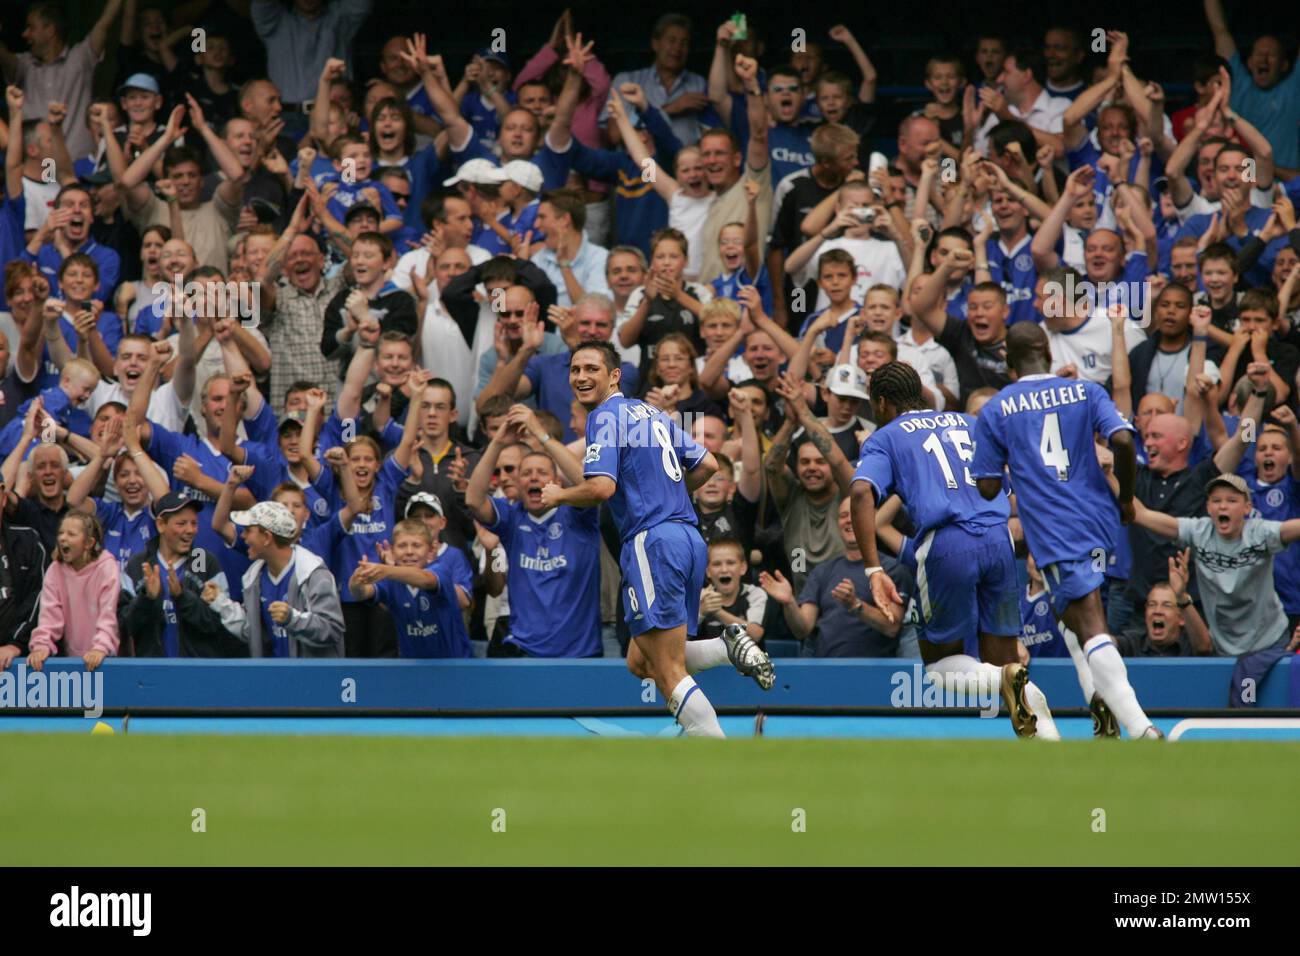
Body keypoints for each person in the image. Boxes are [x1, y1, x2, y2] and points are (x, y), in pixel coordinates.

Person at [540, 340, 773, 737]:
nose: (581, 377)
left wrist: (558, 495)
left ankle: (719, 757)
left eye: (591, 369)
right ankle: (725, 647)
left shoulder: (603, 417)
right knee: (639, 658)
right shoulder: (652, 414)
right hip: (688, 538)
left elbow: (600, 488)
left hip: (652, 543)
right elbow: (710, 463)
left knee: (667, 670)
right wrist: (674, 496)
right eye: (576, 369)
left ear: (614, 376)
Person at [972, 322, 1160, 739]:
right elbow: (1125, 442)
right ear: (1047, 350)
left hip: (1056, 527)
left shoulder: (998, 408)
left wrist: (1012, 466)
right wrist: (1127, 499)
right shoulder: (1088, 391)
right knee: (1071, 619)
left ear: (1007, 359)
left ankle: (1142, 728)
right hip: (1104, 521)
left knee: (1090, 622)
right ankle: (1105, 719)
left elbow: (986, 487)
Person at [850, 361, 1057, 738]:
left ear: (881, 402)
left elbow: (862, 491)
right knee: (1005, 662)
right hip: (999, 539)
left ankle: (1005, 679)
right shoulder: (969, 422)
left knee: (941, 667)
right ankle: (1051, 751)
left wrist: (872, 569)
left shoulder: (885, 437)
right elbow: (1005, 488)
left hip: (947, 542)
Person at [1133, 473, 1300, 705]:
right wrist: (1109, 475)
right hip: (1221, 648)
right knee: (1227, 718)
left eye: (1232, 500)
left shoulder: (1262, 533)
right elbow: (1140, 514)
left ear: (1247, 508)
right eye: (1216, 500)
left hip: (1269, 643)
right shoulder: (1199, 532)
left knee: (1258, 713)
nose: (1223, 506)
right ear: (1208, 508)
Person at [465, 405, 600, 657]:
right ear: (517, 483)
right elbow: (473, 499)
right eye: (526, 473)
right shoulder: (510, 516)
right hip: (525, 652)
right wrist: (497, 443)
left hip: (579, 654)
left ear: (557, 481)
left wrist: (540, 434)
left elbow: (589, 484)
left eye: (541, 473)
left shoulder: (579, 514)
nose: (533, 478)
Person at [761, 497, 916, 657]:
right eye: (843, 516)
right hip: (824, 671)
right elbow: (802, 629)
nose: (849, 520)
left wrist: (856, 605)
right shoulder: (822, 571)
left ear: (871, 519)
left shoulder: (892, 569)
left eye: (855, 514)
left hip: (874, 673)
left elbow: (892, 627)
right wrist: (789, 603)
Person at [206, 500, 345, 658]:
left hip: (313, 679)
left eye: (248, 530)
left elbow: (332, 629)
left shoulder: (313, 573)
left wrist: (292, 619)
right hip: (275, 679)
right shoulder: (254, 578)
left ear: (266, 537)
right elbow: (252, 631)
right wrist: (220, 603)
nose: (242, 536)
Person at [118, 492, 240, 657]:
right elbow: (125, 625)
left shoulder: (204, 561)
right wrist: (146, 599)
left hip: (196, 672)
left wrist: (182, 597)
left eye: (194, 523)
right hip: (152, 673)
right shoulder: (138, 564)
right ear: (161, 525)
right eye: (182, 523)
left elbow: (218, 624)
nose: (190, 530)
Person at [348, 516, 472, 659]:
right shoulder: (391, 580)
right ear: (393, 552)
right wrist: (357, 580)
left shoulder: (440, 569)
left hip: (454, 666)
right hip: (412, 669)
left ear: (431, 550)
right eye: (402, 546)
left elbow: (427, 580)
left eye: (416, 545)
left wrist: (387, 570)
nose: (409, 551)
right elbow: (362, 593)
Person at [25, 510, 120, 671]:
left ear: (89, 543)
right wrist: (41, 645)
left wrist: (100, 647)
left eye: (71, 534)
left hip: (107, 659)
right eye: (61, 533)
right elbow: (49, 616)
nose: (63, 538)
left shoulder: (106, 568)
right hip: (73, 661)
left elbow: (108, 615)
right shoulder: (55, 570)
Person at [0, 473, 49, 670]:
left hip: (23, 663)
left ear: (3, 498)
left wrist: (15, 643)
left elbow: (42, 594)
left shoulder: (28, 542)